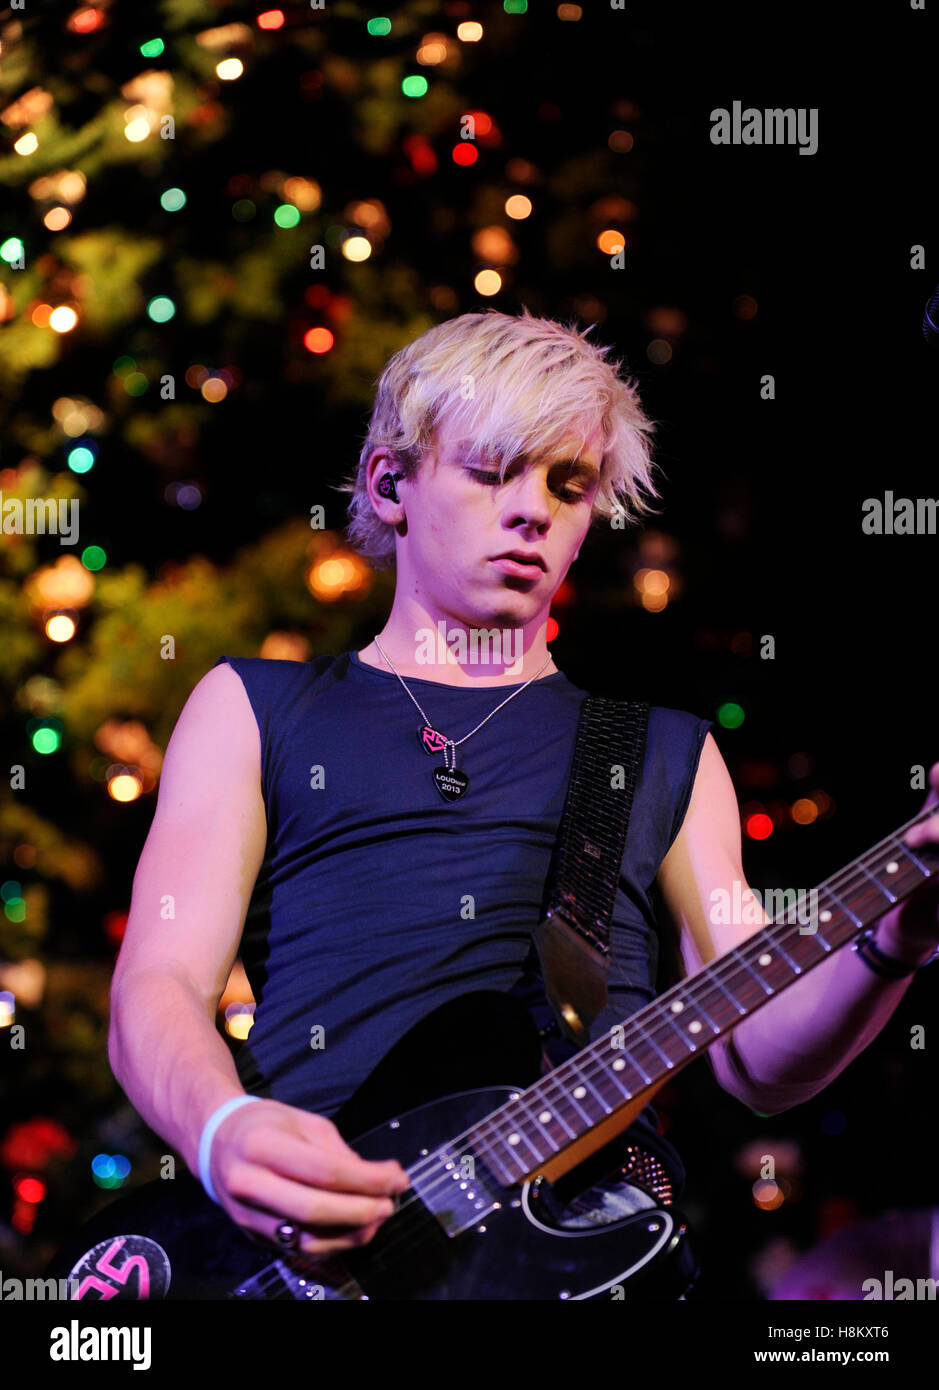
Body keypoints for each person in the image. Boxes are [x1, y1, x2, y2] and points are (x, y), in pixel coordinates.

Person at [108, 307, 939, 1287]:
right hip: (299, 1250)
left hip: (575, 1256)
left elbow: (762, 1057)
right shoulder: (260, 706)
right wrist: (222, 1130)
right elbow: (157, 987)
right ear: (391, 482)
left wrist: (902, 931)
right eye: (493, 469)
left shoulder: (659, 751)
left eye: (568, 483)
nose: (534, 510)